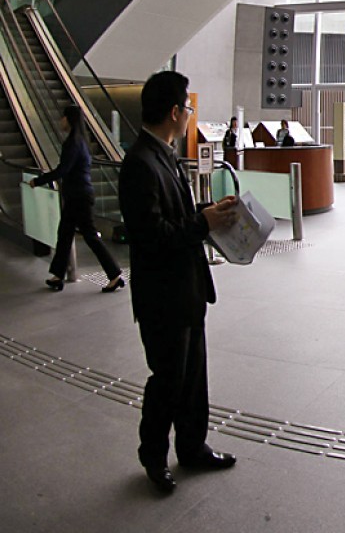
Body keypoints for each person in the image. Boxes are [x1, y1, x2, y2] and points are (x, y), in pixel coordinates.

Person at [118, 71, 240, 494]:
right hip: (162, 296)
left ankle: (193, 446)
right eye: (187, 108)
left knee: (193, 377)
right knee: (168, 380)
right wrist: (200, 223)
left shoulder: (163, 155)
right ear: (174, 112)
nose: (189, 115)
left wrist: (209, 211)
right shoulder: (139, 164)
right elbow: (152, 237)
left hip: (187, 289)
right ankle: (153, 455)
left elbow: (177, 216)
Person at [29, 105, 124, 293]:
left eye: (62, 117)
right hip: (77, 195)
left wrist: (38, 181)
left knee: (89, 235)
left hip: (79, 196)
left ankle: (114, 275)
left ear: (69, 119)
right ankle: (58, 276)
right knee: (64, 235)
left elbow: (63, 170)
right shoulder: (81, 141)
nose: (60, 121)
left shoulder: (73, 143)